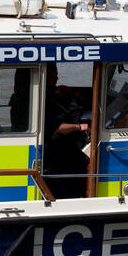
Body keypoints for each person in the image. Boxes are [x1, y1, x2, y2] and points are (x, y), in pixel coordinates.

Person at [42, 64, 89, 199]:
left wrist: (71, 93)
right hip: (52, 152)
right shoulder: (43, 99)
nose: (57, 77)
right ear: (46, 76)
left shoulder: (50, 94)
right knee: (75, 161)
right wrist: (79, 127)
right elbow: (57, 128)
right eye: (53, 74)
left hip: (54, 147)